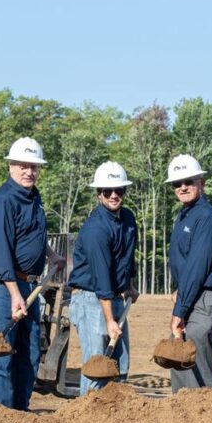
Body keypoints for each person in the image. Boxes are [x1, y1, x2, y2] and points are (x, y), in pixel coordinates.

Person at [0, 137, 67, 410]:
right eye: (23, 166)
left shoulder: (34, 197)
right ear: (11, 166)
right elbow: (2, 252)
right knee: (1, 352)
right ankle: (0, 416)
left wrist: (51, 256)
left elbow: (32, 236)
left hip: (28, 285)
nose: (29, 172)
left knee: (28, 352)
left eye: (34, 166)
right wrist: (15, 293)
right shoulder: (0, 203)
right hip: (2, 286)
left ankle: (20, 412)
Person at [68, 161, 139, 395]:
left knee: (120, 365)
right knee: (97, 367)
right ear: (99, 194)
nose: (114, 195)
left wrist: (129, 285)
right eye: (107, 191)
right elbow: (101, 278)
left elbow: (127, 256)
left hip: (114, 298)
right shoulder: (95, 229)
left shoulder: (128, 219)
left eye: (119, 190)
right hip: (91, 300)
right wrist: (110, 320)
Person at [166, 154, 212, 393]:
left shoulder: (205, 217)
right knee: (179, 356)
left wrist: (179, 310)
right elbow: (183, 260)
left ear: (201, 182)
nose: (183, 187)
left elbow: (197, 267)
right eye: (177, 183)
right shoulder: (185, 215)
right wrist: (178, 289)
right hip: (191, 295)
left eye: (189, 181)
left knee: (193, 356)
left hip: (205, 297)